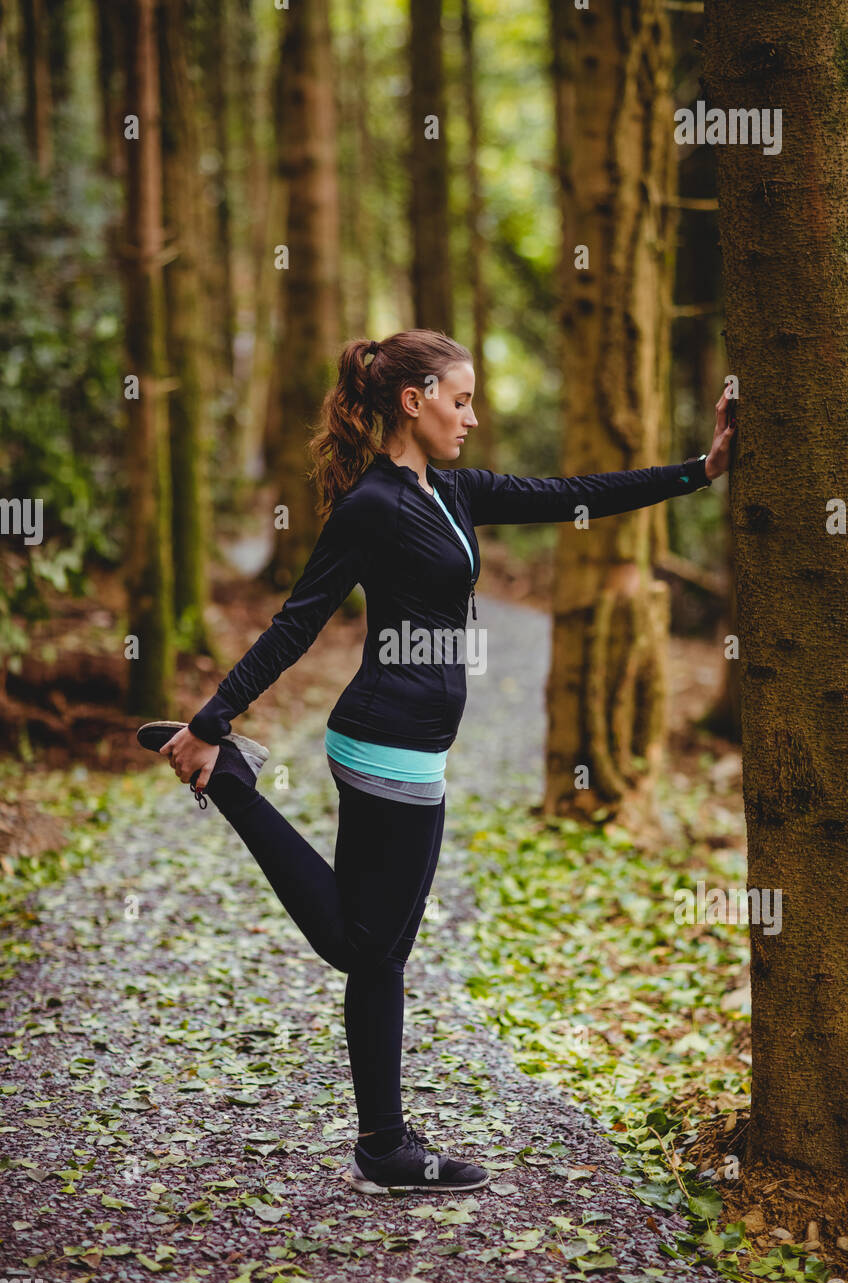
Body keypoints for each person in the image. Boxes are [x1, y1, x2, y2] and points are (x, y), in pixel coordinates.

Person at [137, 329, 736, 1195]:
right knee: (369, 951)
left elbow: (573, 494)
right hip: (384, 740)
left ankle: (383, 1140)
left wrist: (701, 470)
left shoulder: (451, 491)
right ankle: (383, 1143)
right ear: (412, 403)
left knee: (371, 948)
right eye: (460, 400)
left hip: (413, 746)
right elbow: (298, 620)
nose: (474, 417)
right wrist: (211, 718)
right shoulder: (373, 504)